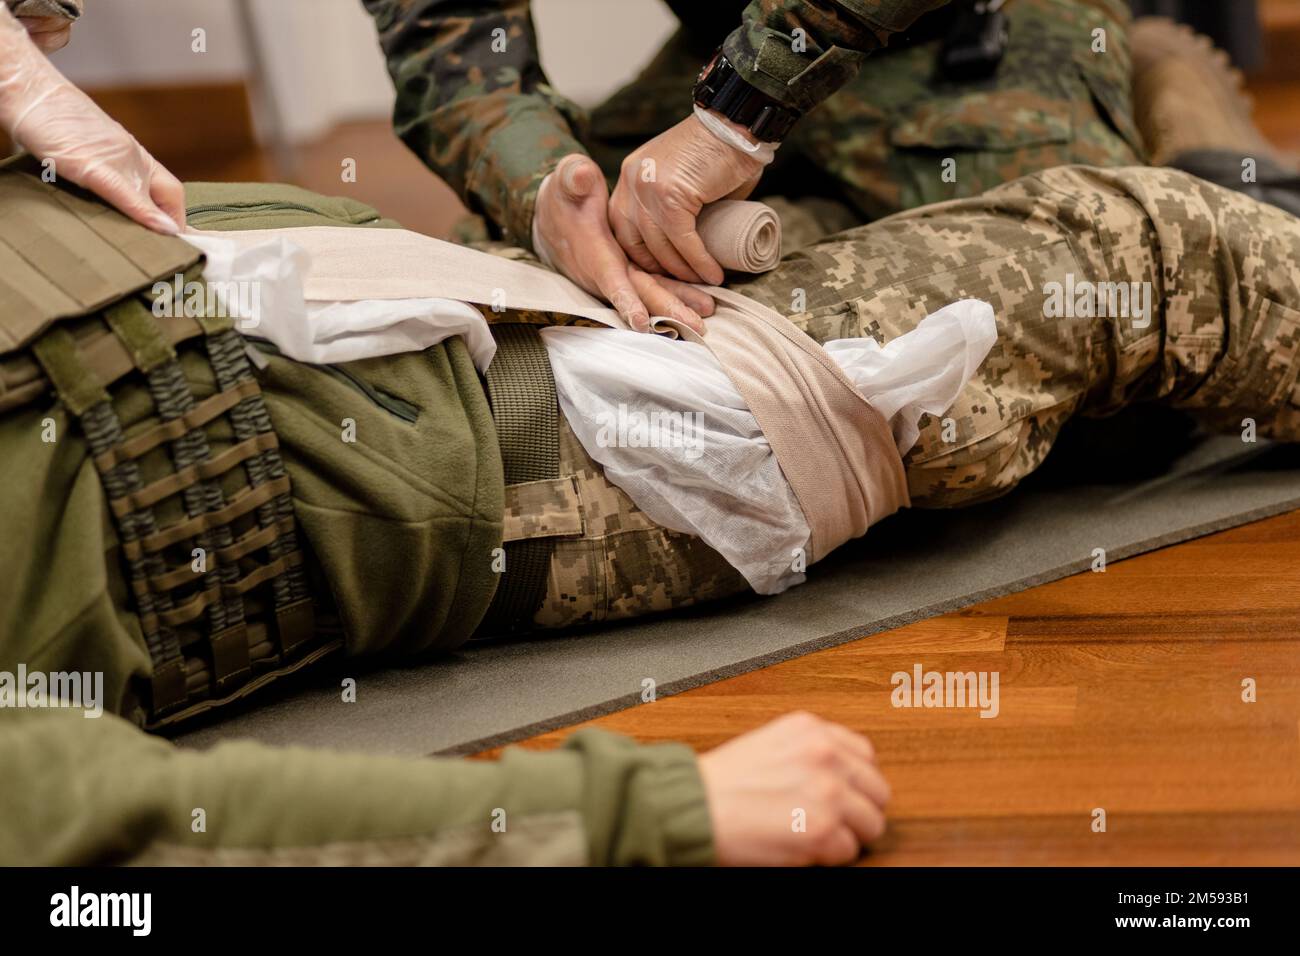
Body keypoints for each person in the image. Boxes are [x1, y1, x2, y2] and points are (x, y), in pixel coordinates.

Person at [361, 0, 1144, 328]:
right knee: (502, 273)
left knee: (1109, 314)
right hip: (735, 43)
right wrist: (541, 192)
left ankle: (1195, 130)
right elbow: (449, 36)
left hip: (960, 34)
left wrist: (739, 115)